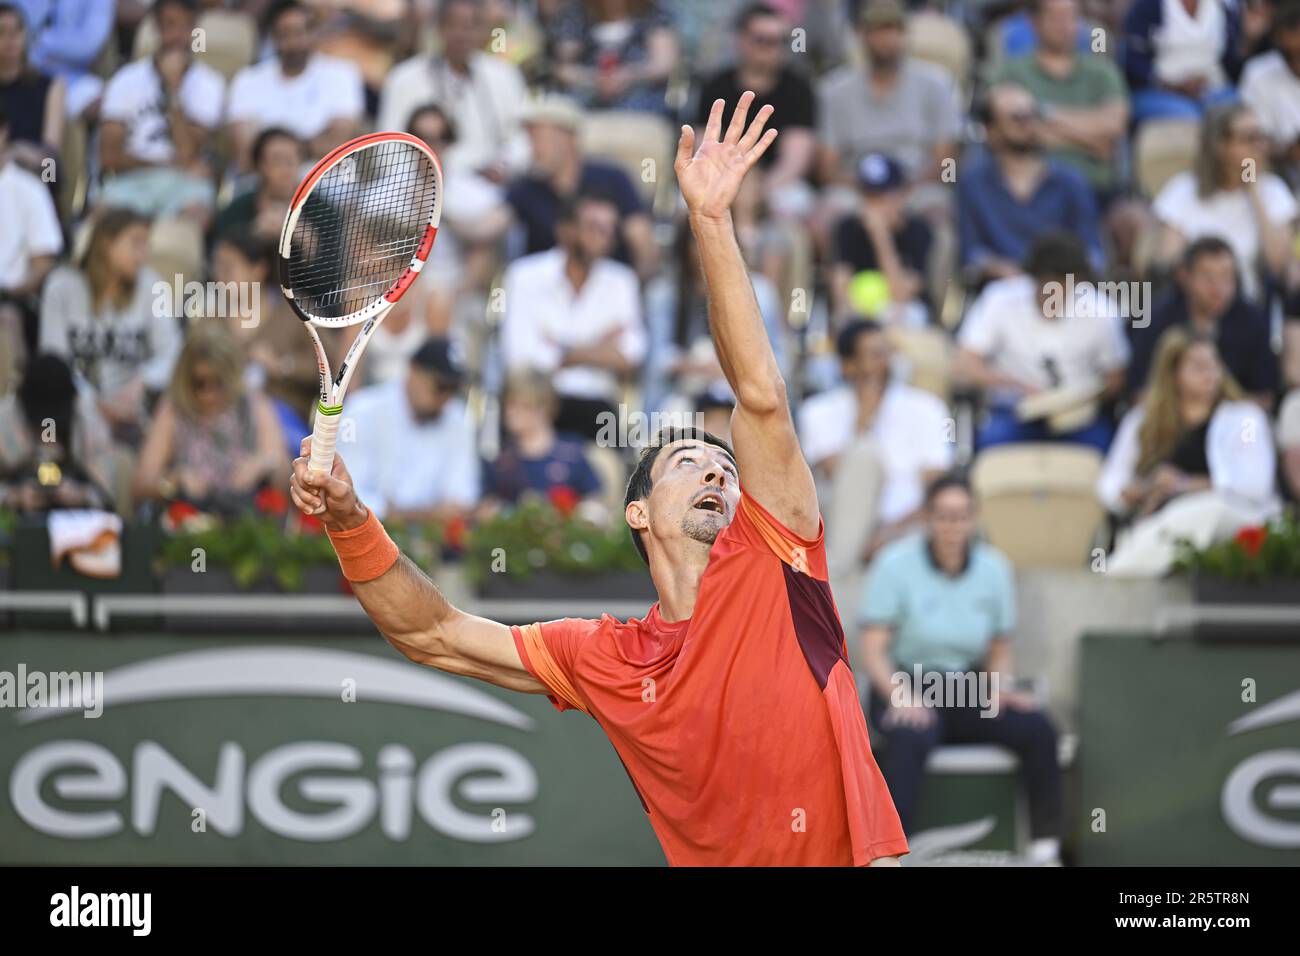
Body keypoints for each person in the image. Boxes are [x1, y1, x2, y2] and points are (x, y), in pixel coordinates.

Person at [290, 94, 909, 867]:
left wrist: (711, 222)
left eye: (725, 467)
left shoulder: (778, 557)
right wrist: (350, 516)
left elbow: (758, 394)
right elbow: (433, 633)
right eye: (690, 463)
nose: (719, 472)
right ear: (639, 514)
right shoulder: (607, 658)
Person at [859, 473, 1063, 866]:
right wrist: (902, 697)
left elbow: (999, 649)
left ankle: (1044, 848)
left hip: (964, 686)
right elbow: (873, 650)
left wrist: (999, 689)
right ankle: (891, 854)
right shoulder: (894, 564)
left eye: (961, 516)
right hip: (904, 680)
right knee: (909, 733)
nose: (952, 526)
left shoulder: (995, 569)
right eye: (943, 516)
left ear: (974, 518)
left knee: (1038, 727)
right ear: (928, 518)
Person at [1098, 328, 1280, 575]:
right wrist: (1140, 490)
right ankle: (1123, 573)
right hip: (1157, 519)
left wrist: (1182, 484)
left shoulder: (1245, 419)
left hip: (1228, 520)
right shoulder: (1142, 420)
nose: (1210, 374)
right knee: (1162, 524)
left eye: (1214, 364)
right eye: (1198, 366)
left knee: (1205, 512)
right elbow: (1110, 483)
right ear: (1172, 373)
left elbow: (1253, 485)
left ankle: (1118, 574)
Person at [800, 319, 953, 598]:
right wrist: (865, 419)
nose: (885, 364)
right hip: (842, 525)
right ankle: (838, 581)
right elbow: (841, 479)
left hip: (907, 526)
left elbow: (937, 488)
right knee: (863, 456)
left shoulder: (927, 408)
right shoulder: (818, 411)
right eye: (874, 356)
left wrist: (889, 534)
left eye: (887, 354)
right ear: (848, 365)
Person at [955, 230, 1128, 451]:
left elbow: (1115, 377)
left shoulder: (1102, 312)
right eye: (1048, 285)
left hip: (1079, 418)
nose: (1055, 295)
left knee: (1104, 447)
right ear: (1033, 279)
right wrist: (1012, 385)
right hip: (1014, 412)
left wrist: (1084, 397)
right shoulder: (1000, 299)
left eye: (1066, 286)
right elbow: (964, 364)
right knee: (991, 440)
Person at [500, 190, 646, 441]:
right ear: (565, 230)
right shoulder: (523, 275)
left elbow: (633, 354)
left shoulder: (622, 281)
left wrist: (561, 348)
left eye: (609, 229)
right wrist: (599, 346)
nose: (604, 238)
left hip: (598, 407)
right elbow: (520, 356)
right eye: (593, 227)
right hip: (539, 405)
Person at [38, 207, 181, 448]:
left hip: (134, 410)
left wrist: (141, 383)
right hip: (74, 409)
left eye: (146, 245)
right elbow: (53, 360)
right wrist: (92, 402)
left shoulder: (152, 285)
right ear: (106, 243)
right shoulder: (61, 286)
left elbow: (171, 352)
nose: (143, 255)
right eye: (136, 244)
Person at [958, 83, 1104, 283]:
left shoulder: (1071, 182)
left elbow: (1093, 252)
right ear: (991, 131)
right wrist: (999, 269)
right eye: (1017, 118)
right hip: (1001, 294)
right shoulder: (973, 184)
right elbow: (970, 254)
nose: (1029, 124)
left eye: (1034, 115)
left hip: (1065, 291)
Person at [1152, 103, 1297, 303]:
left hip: (1248, 307)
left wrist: (1254, 192)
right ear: (1220, 146)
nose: (1260, 146)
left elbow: (1279, 265)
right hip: (1193, 304)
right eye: (1249, 139)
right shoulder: (1183, 190)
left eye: (1262, 137)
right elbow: (1167, 261)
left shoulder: (1273, 191)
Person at [816, 0, 960, 200]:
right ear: (862, 35)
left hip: (917, 185)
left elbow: (946, 160)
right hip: (855, 187)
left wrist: (903, 193)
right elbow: (827, 167)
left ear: (905, 34)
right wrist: (871, 197)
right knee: (828, 215)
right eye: (877, 31)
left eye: (893, 30)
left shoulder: (936, 83)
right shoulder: (834, 88)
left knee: (937, 208)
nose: (886, 39)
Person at [133, 324, 286, 513]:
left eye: (218, 383)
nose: (208, 394)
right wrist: (174, 481)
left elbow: (284, 475)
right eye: (199, 384)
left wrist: (263, 464)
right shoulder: (174, 409)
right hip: (189, 524)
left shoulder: (253, 404)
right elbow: (142, 484)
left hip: (244, 521)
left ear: (231, 377)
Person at [986, 0, 1129, 200]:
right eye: (1055, 17)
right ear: (1035, 22)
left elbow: (1113, 128)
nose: (1065, 25)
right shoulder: (1009, 72)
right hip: (1028, 187)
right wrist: (1094, 141)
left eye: (1071, 17)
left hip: (1095, 187)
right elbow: (1003, 130)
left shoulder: (1103, 73)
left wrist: (1044, 113)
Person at [505, 93, 656, 278]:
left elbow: (641, 241)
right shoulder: (526, 187)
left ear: (567, 137)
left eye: (538, 137)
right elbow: (489, 226)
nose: (533, 147)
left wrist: (633, 293)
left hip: (608, 291)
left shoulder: (612, 178)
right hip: (545, 296)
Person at [378, 0, 530, 183]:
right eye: (454, 24)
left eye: (471, 26)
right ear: (439, 28)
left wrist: (504, 165)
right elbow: (386, 150)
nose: (462, 34)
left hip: (489, 186)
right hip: (421, 187)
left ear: (483, 30)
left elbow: (519, 139)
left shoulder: (503, 76)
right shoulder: (404, 78)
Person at [98, 0, 224, 220]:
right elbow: (108, 157)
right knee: (101, 215)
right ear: (156, 27)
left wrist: (173, 91)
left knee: (198, 215)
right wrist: (163, 165)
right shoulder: (125, 79)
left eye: (187, 26)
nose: (179, 35)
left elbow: (186, 153)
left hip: (185, 183)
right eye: (170, 25)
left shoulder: (210, 84)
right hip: (132, 180)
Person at [337, 337, 479, 525]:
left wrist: (407, 513)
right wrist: (420, 514)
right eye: (440, 386)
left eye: (453, 389)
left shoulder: (457, 418)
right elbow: (347, 495)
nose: (446, 397)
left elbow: (461, 499)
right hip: (369, 533)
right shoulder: (363, 411)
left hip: (433, 540)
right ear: (414, 372)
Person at [695, 3, 817, 219]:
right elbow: (703, 148)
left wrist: (759, 189)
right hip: (722, 175)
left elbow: (795, 160)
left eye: (780, 41)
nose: (771, 49)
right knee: (688, 202)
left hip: (778, 182)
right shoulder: (716, 86)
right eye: (762, 40)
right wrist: (733, 183)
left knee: (797, 204)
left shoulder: (799, 89)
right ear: (741, 40)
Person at [1126, 236, 1278, 407]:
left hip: (1232, 420)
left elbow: (1264, 397)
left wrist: (1213, 410)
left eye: (1227, 277)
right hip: (1169, 417)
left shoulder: (1251, 320)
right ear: (1184, 276)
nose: (1219, 288)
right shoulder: (1156, 318)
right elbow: (1138, 392)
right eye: (1208, 277)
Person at [226, 0, 364, 172]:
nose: (293, 42)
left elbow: (339, 143)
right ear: (272, 37)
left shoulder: (342, 74)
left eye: (300, 32)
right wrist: (309, 146)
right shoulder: (246, 80)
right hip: (263, 186)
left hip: (325, 186)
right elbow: (245, 154)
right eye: (285, 33)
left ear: (314, 33)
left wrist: (273, 153)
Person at [0, 352, 114, 512]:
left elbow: (109, 493)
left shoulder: (87, 421)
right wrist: (14, 497)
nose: (48, 432)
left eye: (54, 423)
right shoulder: (5, 421)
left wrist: (81, 496)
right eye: (41, 424)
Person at [829, 153, 933, 327]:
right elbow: (841, 289)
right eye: (869, 197)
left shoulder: (919, 230)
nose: (875, 205)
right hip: (860, 310)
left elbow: (902, 294)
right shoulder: (847, 227)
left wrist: (881, 237)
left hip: (904, 313)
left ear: (903, 194)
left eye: (883, 196)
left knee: (907, 315)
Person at [1121, 0, 1264, 122]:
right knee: (1189, 117)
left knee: (1246, 113)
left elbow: (1232, 65)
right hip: (1159, 91)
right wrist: (1172, 86)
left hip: (1214, 90)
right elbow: (1132, 61)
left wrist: (1247, 40)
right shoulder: (1149, 6)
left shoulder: (1224, 7)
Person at [482, 370, 603, 512]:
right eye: (509, 404)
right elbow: (486, 505)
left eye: (522, 405)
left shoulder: (571, 453)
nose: (511, 412)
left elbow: (595, 501)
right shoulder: (499, 459)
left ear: (544, 408)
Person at [550, 0, 678, 113]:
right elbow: (563, 67)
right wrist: (594, 79)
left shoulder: (652, 11)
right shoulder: (576, 12)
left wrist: (629, 75)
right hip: (586, 98)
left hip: (641, 100)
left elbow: (664, 64)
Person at [1239, 0, 1300, 184]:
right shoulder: (1258, 74)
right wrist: (1287, 151)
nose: (1297, 63)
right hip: (1282, 174)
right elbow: (1248, 152)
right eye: (1289, 54)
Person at [211, 127, 303, 245]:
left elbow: (328, 258)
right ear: (259, 165)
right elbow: (219, 252)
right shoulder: (236, 211)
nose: (285, 170)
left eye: (291, 160)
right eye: (277, 160)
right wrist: (253, 233)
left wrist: (307, 242)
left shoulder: (321, 209)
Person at [0, 1, 64, 172]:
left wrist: (19, 153)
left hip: (36, 178)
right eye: (1, 32)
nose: (10, 39)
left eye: (17, 31)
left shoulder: (50, 86)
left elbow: (51, 156)